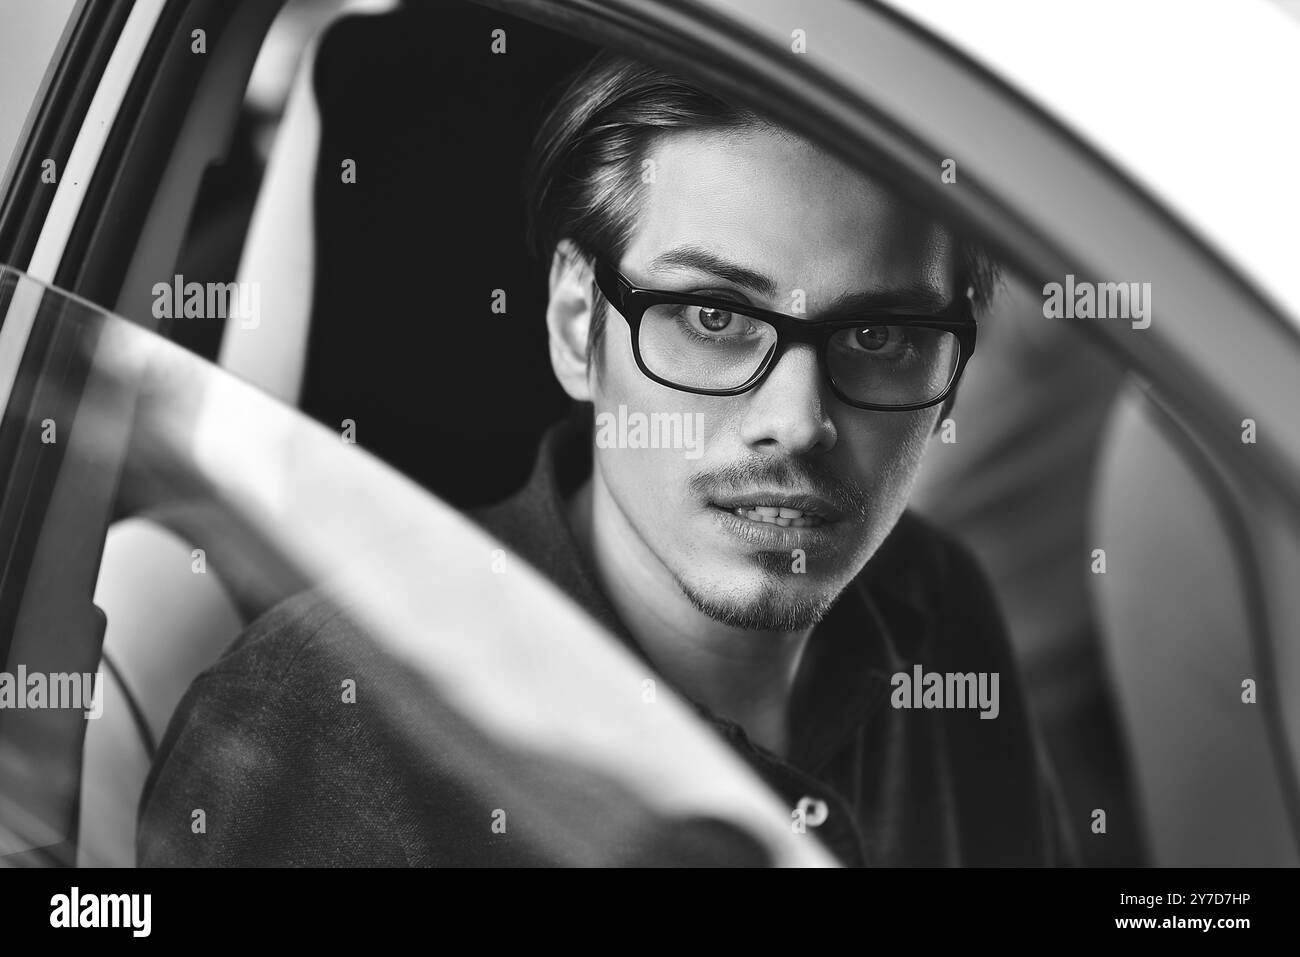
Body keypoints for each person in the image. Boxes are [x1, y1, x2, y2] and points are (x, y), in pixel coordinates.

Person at [138, 52, 1072, 867]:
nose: (797, 421)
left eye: (879, 332)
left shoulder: (939, 601)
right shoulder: (319, 731)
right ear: (577, 323)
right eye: (714, 317)